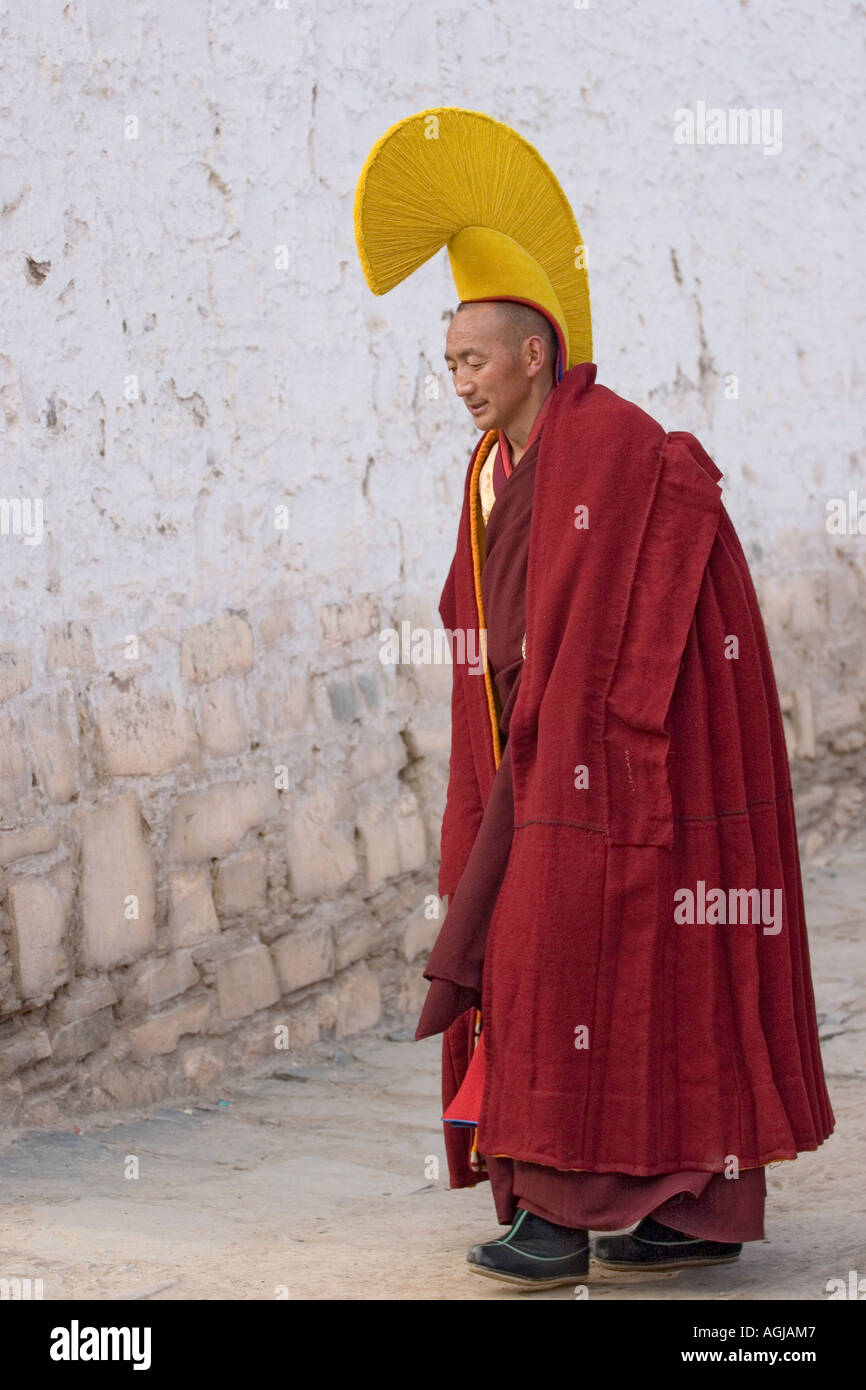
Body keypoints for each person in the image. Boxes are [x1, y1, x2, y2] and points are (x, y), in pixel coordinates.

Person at [354, 108, 835, 1291]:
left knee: (565, 953)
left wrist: (583, 738)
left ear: (534, 350)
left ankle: (567, 1216)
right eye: (448, 362)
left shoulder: (617, 446)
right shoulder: (494, 467)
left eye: (474, 359)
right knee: (590, 961)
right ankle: (685, 1209)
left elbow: (645, 605)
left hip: (631, 757)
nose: (458, 383)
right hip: (534, 753)